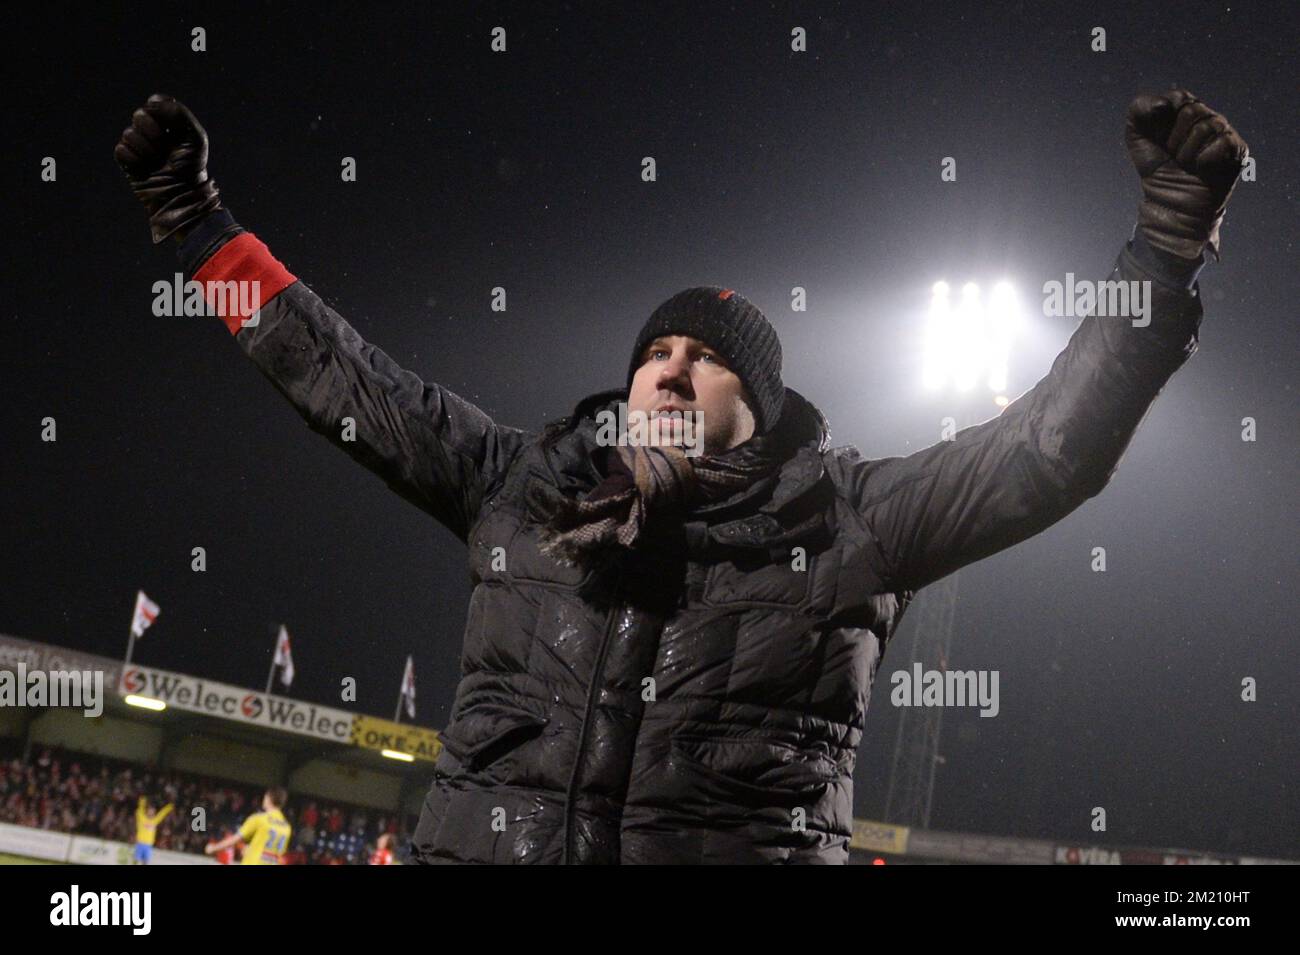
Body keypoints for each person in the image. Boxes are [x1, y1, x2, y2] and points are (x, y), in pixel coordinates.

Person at [116, 89, 1248, 864]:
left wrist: (1163, 249)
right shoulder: (521, 486)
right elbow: (344, 383)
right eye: (655, 350)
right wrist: (199, 230)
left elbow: (1046, 452)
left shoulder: (849, 520)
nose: (669, 366)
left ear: (751, 407)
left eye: (702, 358)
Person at [205, 788, 292, 865]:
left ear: (268, 798)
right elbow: (278, 853)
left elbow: (235, 839)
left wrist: (213, 848)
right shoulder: (286, 827)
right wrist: (250, 849)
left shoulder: (259, 819)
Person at [132, 795, 173, 865]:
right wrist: (142, 800)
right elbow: (140, 809)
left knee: (146, 862)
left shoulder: (155, 820)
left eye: (153, 811)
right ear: (147, 811)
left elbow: (162, 813)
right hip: (140, 843)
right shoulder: (142, 818)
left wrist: (170, 806)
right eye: (150, 811)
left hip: (148, 845)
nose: (151, 812)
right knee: (136, 861)